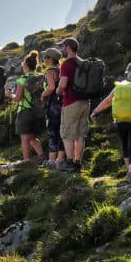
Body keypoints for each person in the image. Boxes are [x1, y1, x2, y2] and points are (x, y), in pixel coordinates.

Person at [91, 61, 131, 182]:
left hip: (121, 122)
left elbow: (108, 101)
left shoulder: (120, 86)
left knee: (126, 146)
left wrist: (95, 111)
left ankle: (128, 172)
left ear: (127, 74)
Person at [56, 37, 87, 172]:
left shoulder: (66, 64)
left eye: (62, 47)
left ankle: (69, 162)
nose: (61, 50)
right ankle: (77, 163)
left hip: (70, 102)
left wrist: (57, 90)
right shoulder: (83, 62)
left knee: (67, 133)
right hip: (85, 101)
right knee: (80, 134)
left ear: (68, 47)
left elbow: (63, 84)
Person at [11, 51, 46, 162]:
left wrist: (10, 95)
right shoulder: (40, 77)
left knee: (25, 139)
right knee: (32, 137)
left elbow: (18, 98)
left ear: (26, 65)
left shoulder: (22, 79)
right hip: (38, 111)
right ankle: (41, 156)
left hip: (24, 112)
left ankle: (26, 161)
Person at [40, 48, 65, 169]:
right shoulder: (61, 70)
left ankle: (51, 160)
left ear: (50, 58)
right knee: (62, 132)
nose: (44, 60)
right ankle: (60, 159)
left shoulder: (50, 71)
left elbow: (51, 87)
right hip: (63, 104)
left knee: (53, 132)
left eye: (45, 57)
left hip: (53, 105)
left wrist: (43, 94)